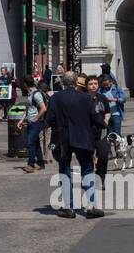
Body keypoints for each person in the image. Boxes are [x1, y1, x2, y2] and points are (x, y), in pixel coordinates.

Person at [44, 72, 107, 219]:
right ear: (77, 83)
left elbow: (49, 118)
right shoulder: (86, 98)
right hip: (83, 137)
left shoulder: (55, 98)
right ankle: (91, 205)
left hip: (63, 138)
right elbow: (95, 117)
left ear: (63, 83)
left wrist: (57, 126)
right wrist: (103, 127)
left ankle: (68, 207)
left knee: (65, 170)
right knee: (87, 170)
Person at [87, 75, 113, 200]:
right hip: (87, 132)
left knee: (103, 154)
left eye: (95, 83)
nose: (93, 85)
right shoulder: (84, 99)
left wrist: (106, 120)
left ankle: (101, 178)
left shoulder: (102, 98)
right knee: (88, 157)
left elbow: (107, 111)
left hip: (101, 131)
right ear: (87, 86)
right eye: (91, 83)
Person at [21, 75, 48, 172]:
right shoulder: (30, 93)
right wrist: (21, 120)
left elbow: (44, 108)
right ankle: (40, 163)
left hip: (36, 122)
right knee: (35, 143)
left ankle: (31, 164)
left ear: (25, 84)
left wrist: (35, 118)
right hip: (31, 121)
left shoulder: (36, 94)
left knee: (30, 142)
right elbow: (28, 108)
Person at [98, 74, 126, 139]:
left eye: (107, 84)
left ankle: (118, 148)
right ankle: (109, 148)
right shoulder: (100, 90)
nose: (106, 86)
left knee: (117, 135)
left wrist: (114, 99)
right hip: (106, 115)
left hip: (116, 114)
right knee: (109, 135)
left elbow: (123, 99)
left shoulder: (116, 88)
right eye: (104, 85)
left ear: (111, 82)